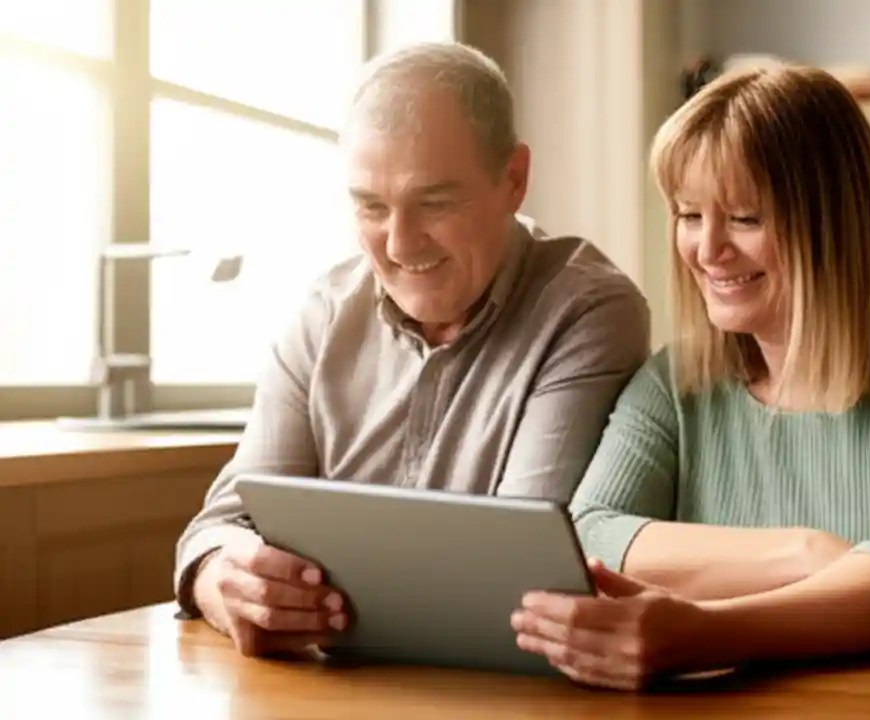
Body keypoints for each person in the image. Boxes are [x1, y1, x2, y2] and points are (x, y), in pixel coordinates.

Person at [510, 65, 870, 690]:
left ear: (833, 222)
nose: (707, 248)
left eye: (745, 218)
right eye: (689, 215)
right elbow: (589, 533)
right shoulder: (674, 382)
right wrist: (809, 555)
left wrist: (703, 631)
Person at [174, 42, 649, 657]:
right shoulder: (322, 315)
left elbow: (515, 574)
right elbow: (217, 528)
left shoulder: (586, 310)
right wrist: (225, 579)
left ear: (514, 180)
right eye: (370, 207)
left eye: (434, 203)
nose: (398, 245)